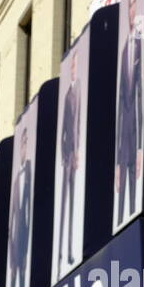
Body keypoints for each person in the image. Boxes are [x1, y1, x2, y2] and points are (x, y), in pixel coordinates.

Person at [115, 0, 144, 226]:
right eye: (130, 5)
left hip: (135, 137)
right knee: (121, 213)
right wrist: (117, 160)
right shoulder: (124, 49)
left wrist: (141, 147)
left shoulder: (141, 44)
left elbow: (141, 96)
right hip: (122, 141)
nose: (132, 9)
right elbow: (120, 105)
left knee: (136, 207)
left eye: (135, 3)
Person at [57, 50, 81, 273]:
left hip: (76, 156)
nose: (74, 70)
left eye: (75, 66)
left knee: (72, 203)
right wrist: (67, 154)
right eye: (72, 66)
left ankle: (70, 249)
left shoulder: (80, 90)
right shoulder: (68, 96)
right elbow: (65, 130)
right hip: (67, 157)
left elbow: (77, 126)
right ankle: (61, 252)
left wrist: (78, 152)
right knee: (64, 203)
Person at [6, 126, 33, 287]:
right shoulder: (15, 182)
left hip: (30, 234)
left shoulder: (32, 171)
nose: (24, 149)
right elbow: (12, 217)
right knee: (14, 279)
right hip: (16, 238)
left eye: (26, 144)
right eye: (21, 145)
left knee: (25, 279)